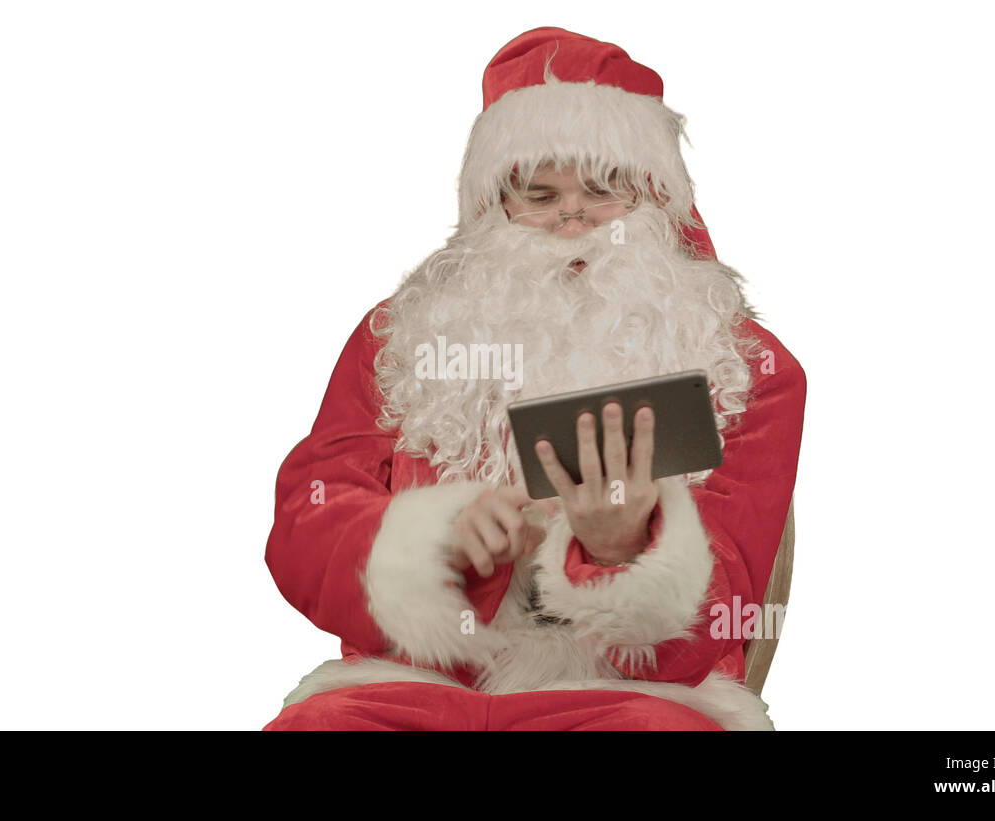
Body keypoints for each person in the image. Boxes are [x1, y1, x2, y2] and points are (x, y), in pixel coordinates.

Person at [262, 26, 806, 730]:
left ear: (654, 197)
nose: (573, 216)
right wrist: (438, 539)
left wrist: (623, 551)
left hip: (630, 698)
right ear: (494, 209)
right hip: (412, 686)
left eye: (604, 188)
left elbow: (723, 602)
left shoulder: (746, 364)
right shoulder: (398, 339)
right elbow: (305, 524)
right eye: (540, 194)